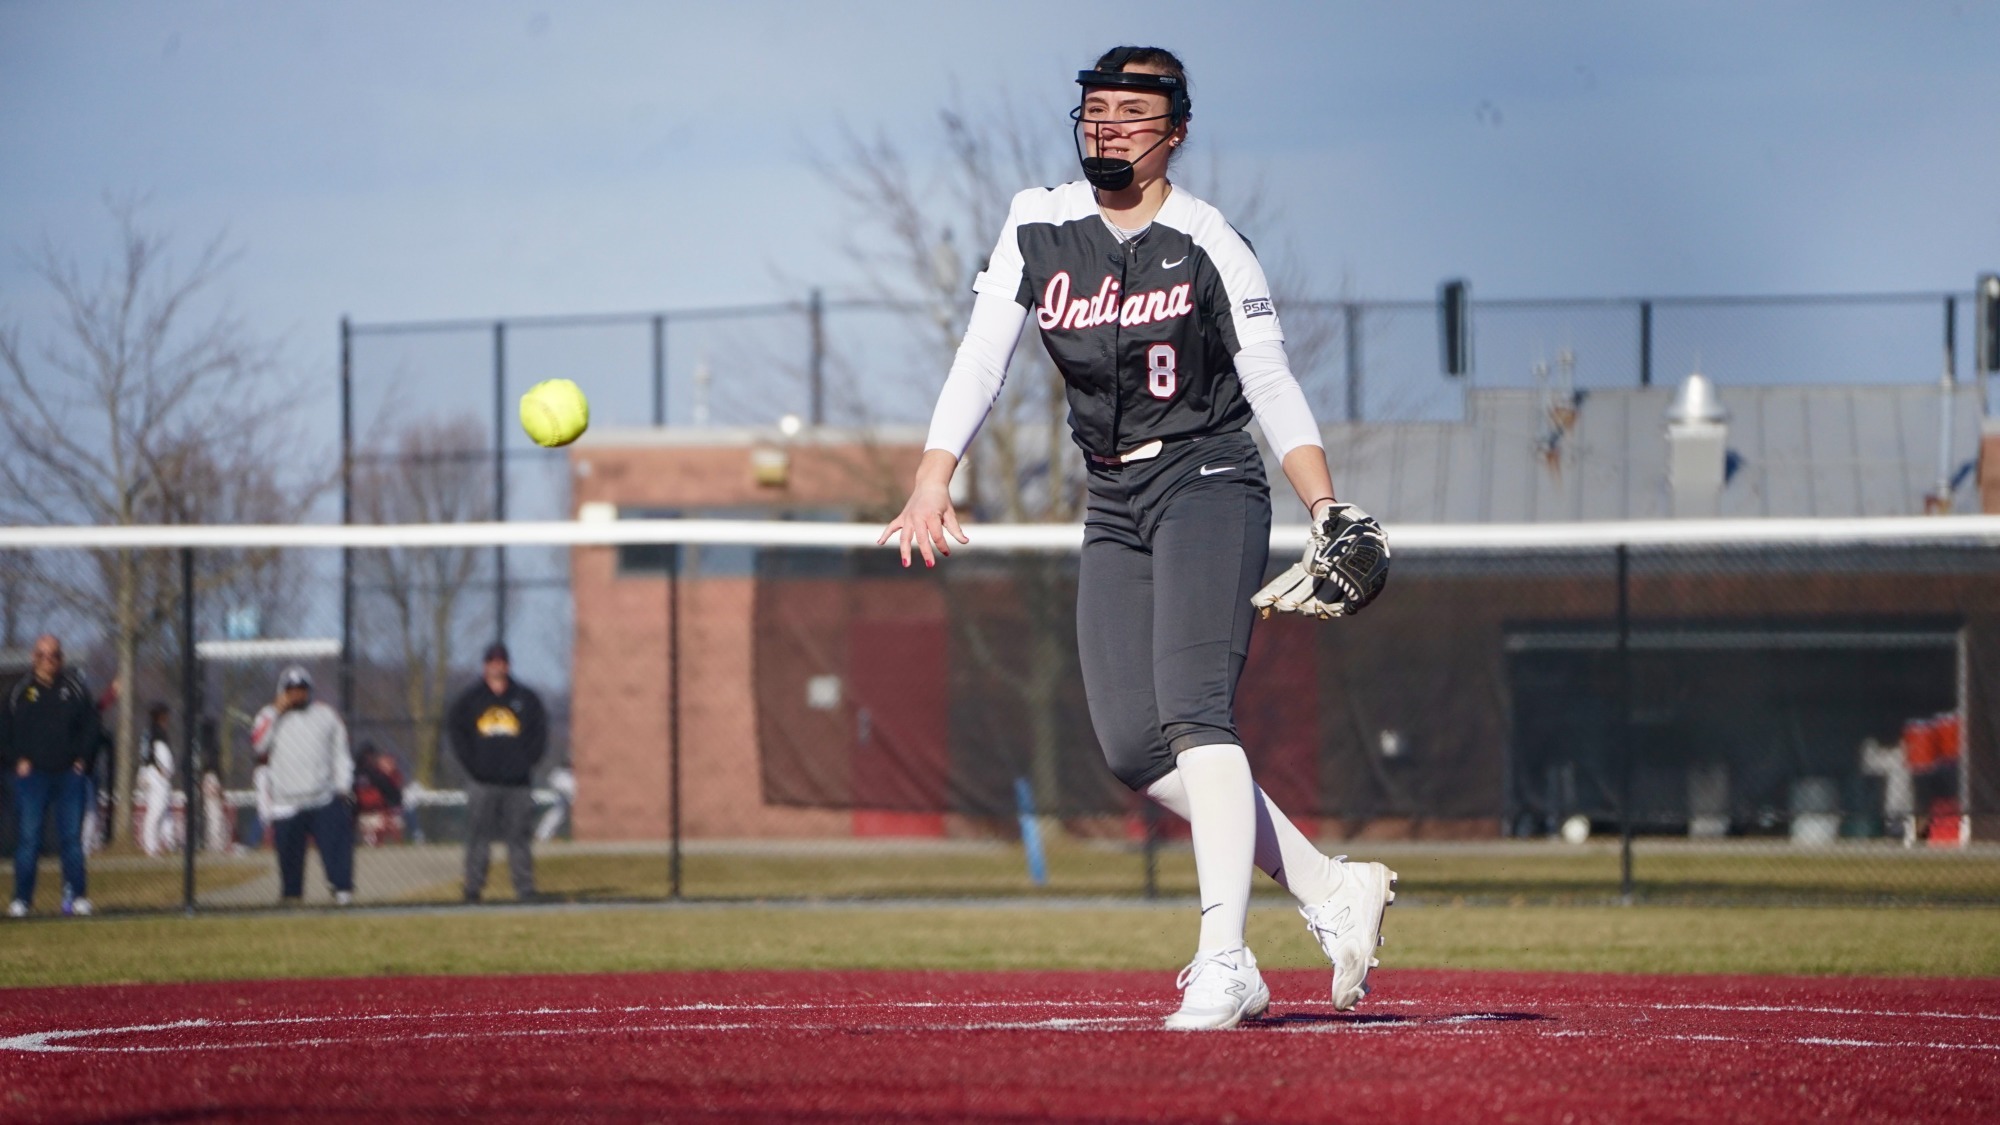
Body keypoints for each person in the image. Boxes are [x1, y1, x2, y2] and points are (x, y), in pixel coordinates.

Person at [880, 47, 1397, 1030]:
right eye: (1094, 109)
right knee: (1132, 745)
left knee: (1195, 714)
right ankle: (1331, 886)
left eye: (1130, 111)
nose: (1106, 125)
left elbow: (1269, 377)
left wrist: (1324, 504)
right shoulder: (1038, 223)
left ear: (1175, 131)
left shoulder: (1208, 240)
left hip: (1208, 478)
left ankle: (1224, 958)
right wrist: (933, 473)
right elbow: (982, 354)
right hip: (1112, 494)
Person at [2, 635, 101, 918]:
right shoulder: (19, 692)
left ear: (61, 658)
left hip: (68, 775)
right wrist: (16, 760)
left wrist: (83, 759)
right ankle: (22, 899)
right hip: (32, 777)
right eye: (42, 655)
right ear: (33, 658)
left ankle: (76, 897)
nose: (48, 661)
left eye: (53, 655)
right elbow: (4, 732)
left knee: (71, 840)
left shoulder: (75, 689)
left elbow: (92, 726)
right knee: (29, 839)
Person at [446, 643, 548, 903]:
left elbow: (539, 733)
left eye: (501, 661)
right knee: (478, 836)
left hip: (518, 783)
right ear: (485, 666)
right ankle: (473, 888)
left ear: (508, 665)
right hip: (482, 782)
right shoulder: (471, 700)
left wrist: (525, 763)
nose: (497, 666)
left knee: (519, 837)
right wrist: (474, 764)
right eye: (492, 661)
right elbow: (457, 732)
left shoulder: (525, 698)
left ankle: (525, 889)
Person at [250, 665, 355, 905]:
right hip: (286, 801)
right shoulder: (268, 716)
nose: (297, 693)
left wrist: (343, 786)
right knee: (289, 856)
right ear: (282, 691)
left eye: (301, 688)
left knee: (337, 845)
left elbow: (341, 753)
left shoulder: (325, 715)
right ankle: (292, 896)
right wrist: (276, 712)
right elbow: (258, 745)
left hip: (322, 797)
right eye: (291, 689)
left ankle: (342, 890)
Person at [137, 702, 177, 858]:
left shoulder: (152, 732)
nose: (167, 719)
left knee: (162, 810)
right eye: (164, 715)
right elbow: (152, 754)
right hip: (155, 774)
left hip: (156, 774)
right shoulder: (155, 733)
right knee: (156, 809)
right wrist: (159, 768)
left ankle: (163, 842)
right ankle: (150, 846)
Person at [352, 742, 406, 847]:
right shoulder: (354, 774)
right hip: (362, 815)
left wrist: (388, 813)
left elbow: (395, 797)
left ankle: (381, 842)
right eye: (366, 757)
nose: (368, 759)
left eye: (370, 756)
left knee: (396, 822)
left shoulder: (378, 775)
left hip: (378, 814)